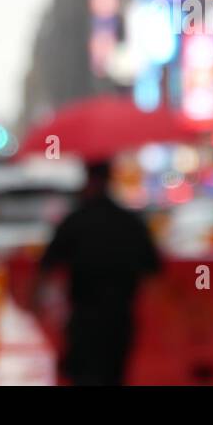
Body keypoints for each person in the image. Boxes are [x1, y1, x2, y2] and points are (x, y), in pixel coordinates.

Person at [37, 160, 162, 386]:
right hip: (120, 320)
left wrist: (36, 308)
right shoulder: (130, 222)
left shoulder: (75, 221)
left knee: (84, 377)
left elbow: (46, 265)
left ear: (89, 180)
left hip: (84, 321)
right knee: (113, 377)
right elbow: (153, 269)